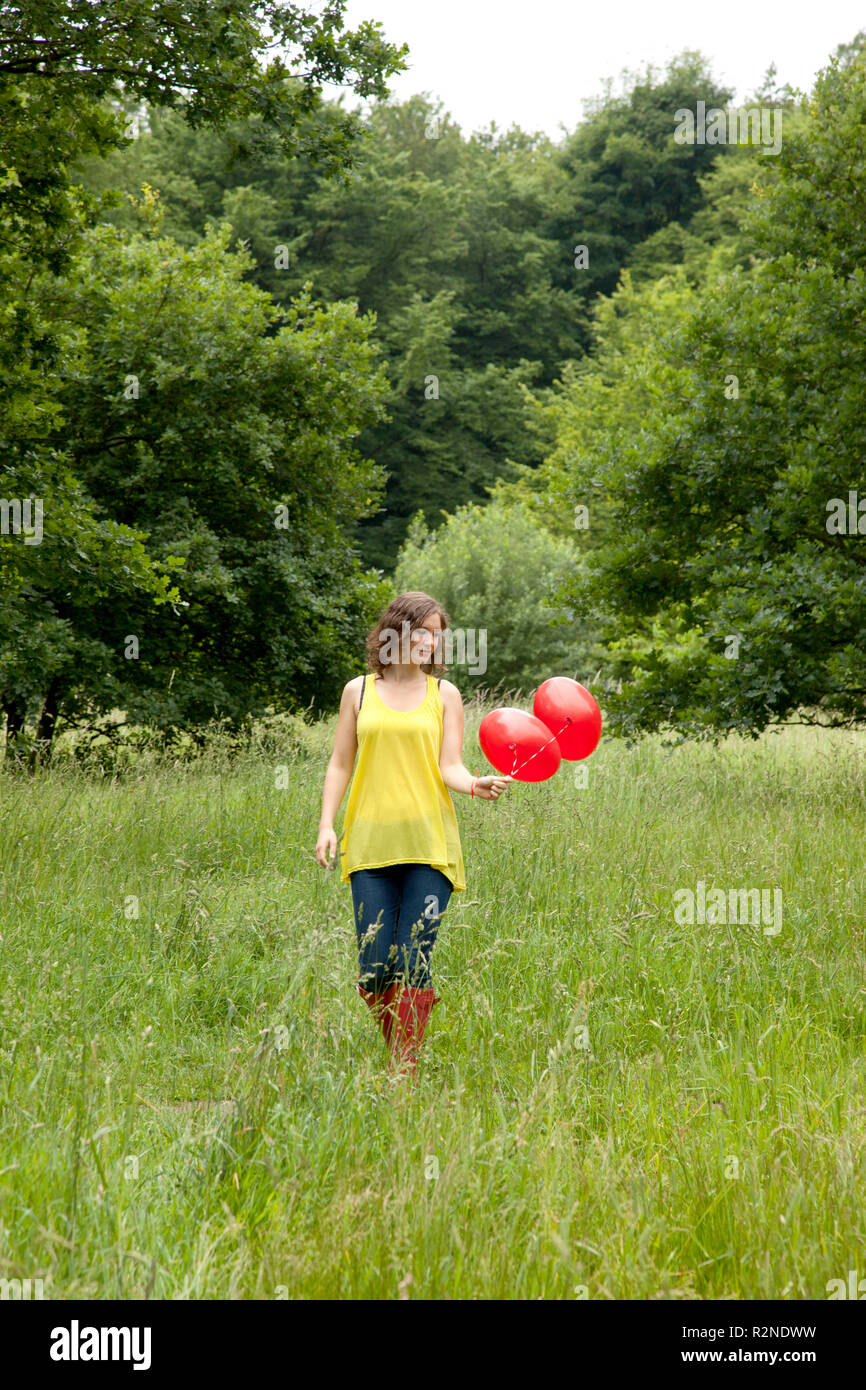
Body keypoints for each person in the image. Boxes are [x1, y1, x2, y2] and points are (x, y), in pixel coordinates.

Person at [315, 591, 511, 1090]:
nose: (430, 642)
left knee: (413, 954)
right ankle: (397, 1047)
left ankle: (404, 1069)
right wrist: (326, 824)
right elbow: (341, 762)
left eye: (437, 635)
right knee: (376, 966)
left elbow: (449, 764)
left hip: (429, 845)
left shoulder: (444, 695)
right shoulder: (357, 691)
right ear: (395, 631)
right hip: (370, 847)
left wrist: (474, 784)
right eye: (421, 631)